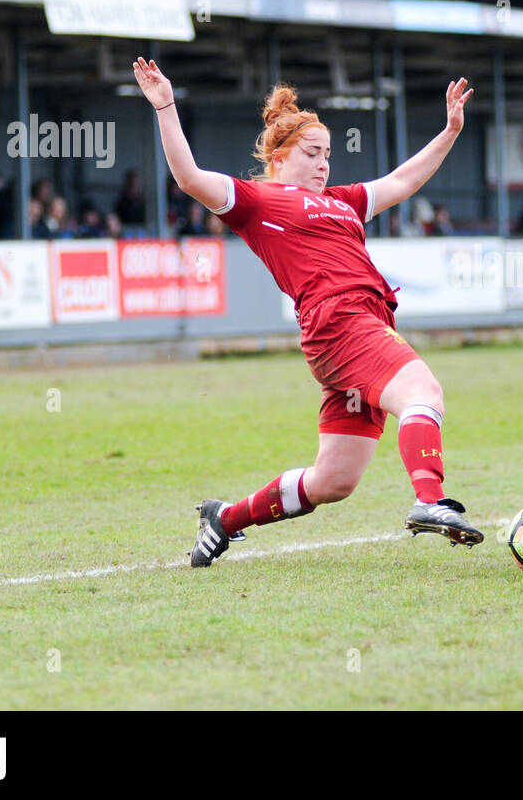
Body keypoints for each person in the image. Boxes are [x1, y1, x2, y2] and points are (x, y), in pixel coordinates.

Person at [131, 57, 483, 566]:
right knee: (424, 392)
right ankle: (430, 500)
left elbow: (403, 182)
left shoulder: (342, 201)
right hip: (341, 323)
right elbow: (188, 178)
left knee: (334, 481)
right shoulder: (258, 201)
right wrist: (165, 106)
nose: (324, 164)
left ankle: (223, 519)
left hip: (358, 327)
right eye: (313, 153)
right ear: (277, 156)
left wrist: (450, 131)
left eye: (329, 155)